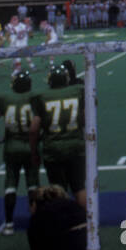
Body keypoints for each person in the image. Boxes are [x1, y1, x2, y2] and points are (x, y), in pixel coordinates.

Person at [0, 69, 40, 235]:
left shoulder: (5, 100)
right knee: (32, 184)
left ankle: (9, 223)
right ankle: (36, 221)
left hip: (11, 146)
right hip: (30, 146)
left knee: (10, 184)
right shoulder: (35, 99)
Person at [30, 62, 86, 208]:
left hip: (53, 148)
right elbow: (86, 118)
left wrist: (34, 150)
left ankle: (63, 221)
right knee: (79, 187)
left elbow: (34, 129)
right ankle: (86, 222)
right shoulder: (78, 91)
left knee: (58, 189)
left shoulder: (41, 96)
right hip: (75, 145)